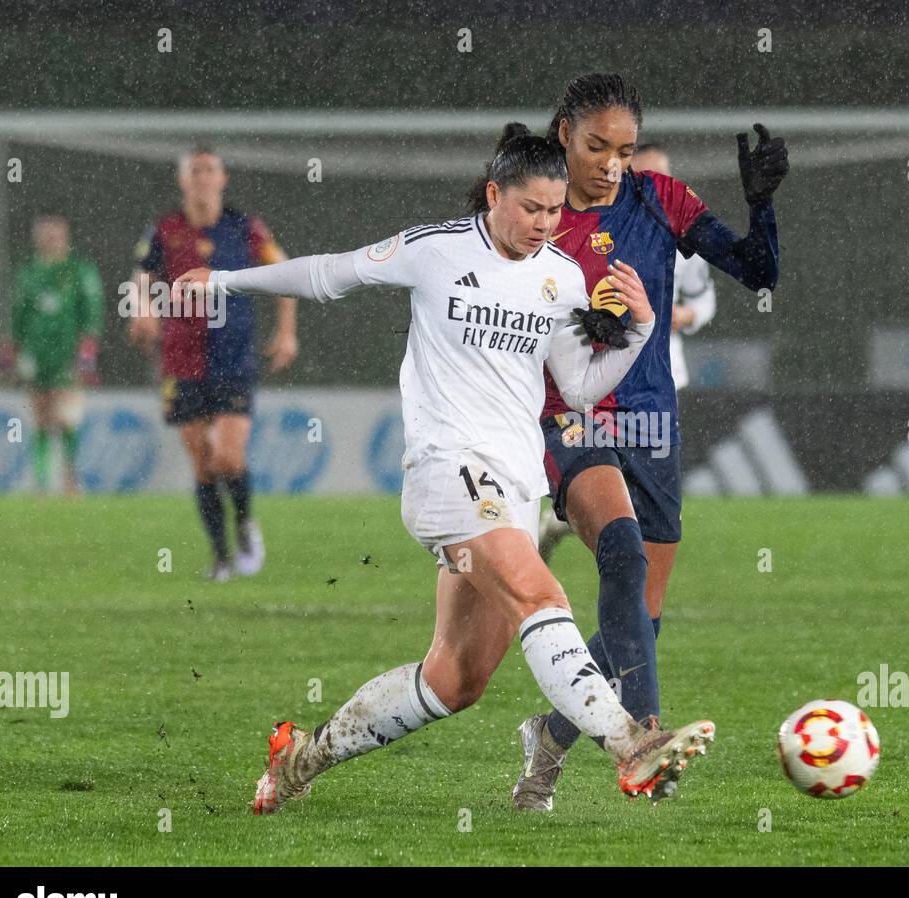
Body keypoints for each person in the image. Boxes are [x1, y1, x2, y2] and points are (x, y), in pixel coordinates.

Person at [171, 126, 715, 814]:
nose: (544, 225)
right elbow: (328, 273)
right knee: (541, 597)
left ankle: (299, 757)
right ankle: (630, 744)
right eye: (530, 209)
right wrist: (225, 280)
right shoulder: (436, 250)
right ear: (494, 194)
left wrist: (637, 330)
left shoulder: (562, 275)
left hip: (515, 484)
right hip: (447, 469)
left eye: (554, 211)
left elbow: (577, 385)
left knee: (455, 679)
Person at [513, 73, 786, 811]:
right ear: (564, 132)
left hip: (653, 422)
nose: (610, 163)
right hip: (571, 417)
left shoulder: (658, 201)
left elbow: (758, 272)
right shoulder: (532, 211)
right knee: (624, 556)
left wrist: (761, 207)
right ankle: (646, 739)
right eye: (597, 145)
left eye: (624, 150)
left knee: (639, 624)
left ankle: (547, 740)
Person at [536, 141, 717, 561]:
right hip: (593, 376)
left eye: (664, 176)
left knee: (636, 494)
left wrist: (681, 317)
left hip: (655, 377)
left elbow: (704, 301)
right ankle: (578, 526)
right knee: (600, 472)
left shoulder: (678, 238)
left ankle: (567, 527)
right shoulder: (588, 231)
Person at [128, 146, 299, 581]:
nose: (203, 178)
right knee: (202, 464)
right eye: (195, 171)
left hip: (232, 357)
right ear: (183, 180)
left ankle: (244, 523)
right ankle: (221, 558)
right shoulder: (165, 229)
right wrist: (142, 307)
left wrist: (286, 331)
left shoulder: (245, 228)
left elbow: (285, 275)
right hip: (181, 359)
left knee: (226, 456)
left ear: (222, 179)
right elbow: (143, 277)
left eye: (210, 170)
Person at [4, 215, 104, 494]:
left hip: (67, 354)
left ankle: (71, 479)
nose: (51, 238)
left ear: (66, 236)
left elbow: (91, 314)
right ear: (37, 237)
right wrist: (16, 350)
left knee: (67, 417)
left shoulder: (79, 271)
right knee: (40, 416)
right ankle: (41, 481)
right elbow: (18, 317)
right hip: (37, 355)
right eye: (45, 233)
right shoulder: (28, 274)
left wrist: (86, 354)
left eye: (56, 233)